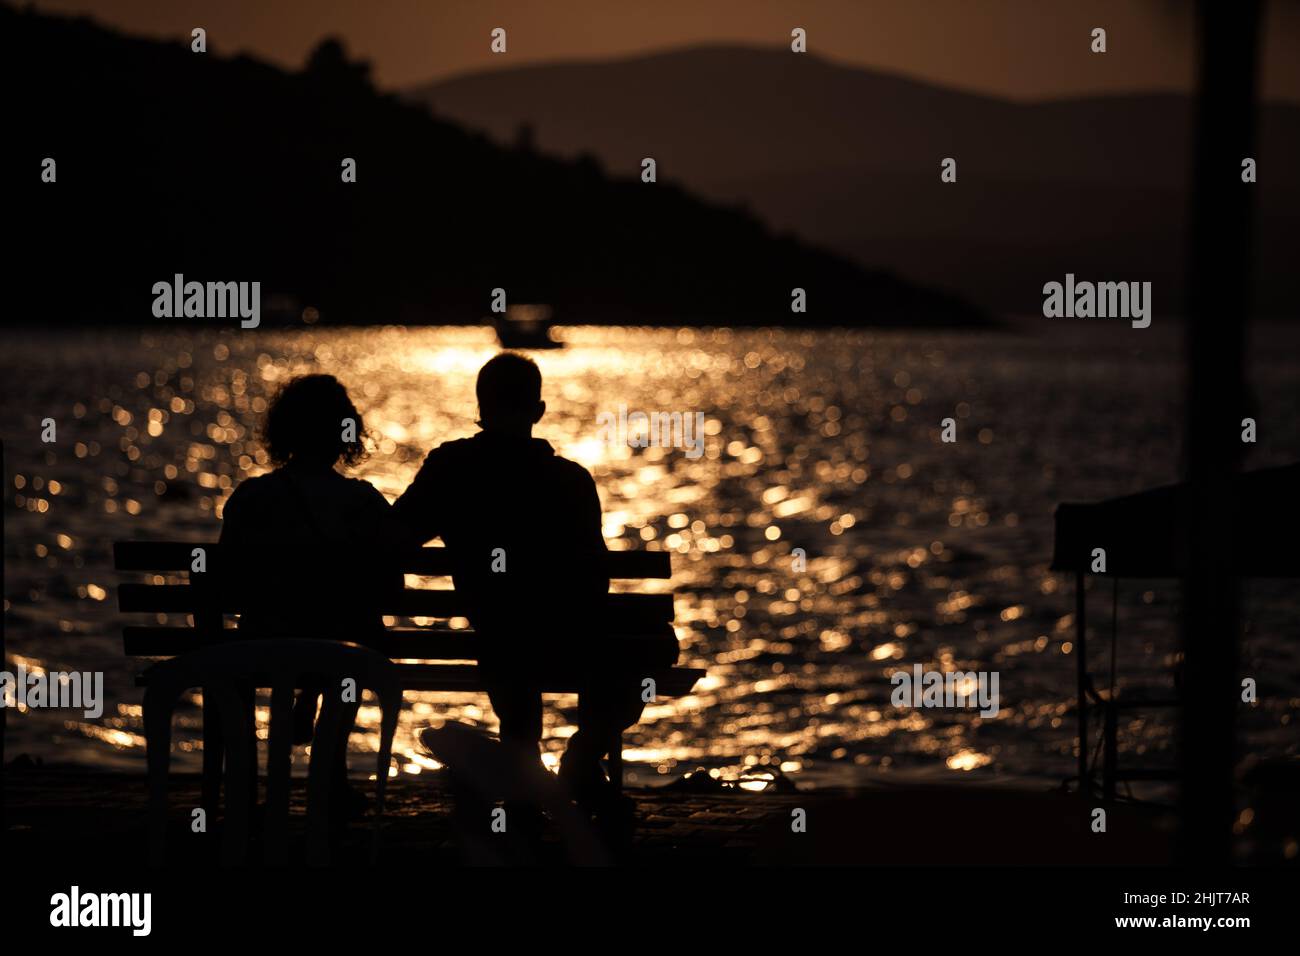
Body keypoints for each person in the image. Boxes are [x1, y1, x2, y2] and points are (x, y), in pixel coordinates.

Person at [392, 353, 642, 809]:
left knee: (509, 646)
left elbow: (397, 537)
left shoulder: (452, 468)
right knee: (649, 650)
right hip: (569, 635)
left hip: (497, 632)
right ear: (538, 410)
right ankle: (581, 762)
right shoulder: (570, 479)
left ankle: (526, 770)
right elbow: (595, 577)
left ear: (481, 408)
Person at [219, 374, 397, 753]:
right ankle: (332, 769)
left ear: (285, 432)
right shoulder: (362, 502)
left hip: (264, 641)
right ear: (345, 434)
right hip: (343, 645)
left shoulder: (251, 497)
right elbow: (390, 586)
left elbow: (226, 584)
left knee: (296, 639)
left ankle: (260, 780)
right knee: (352, 643)